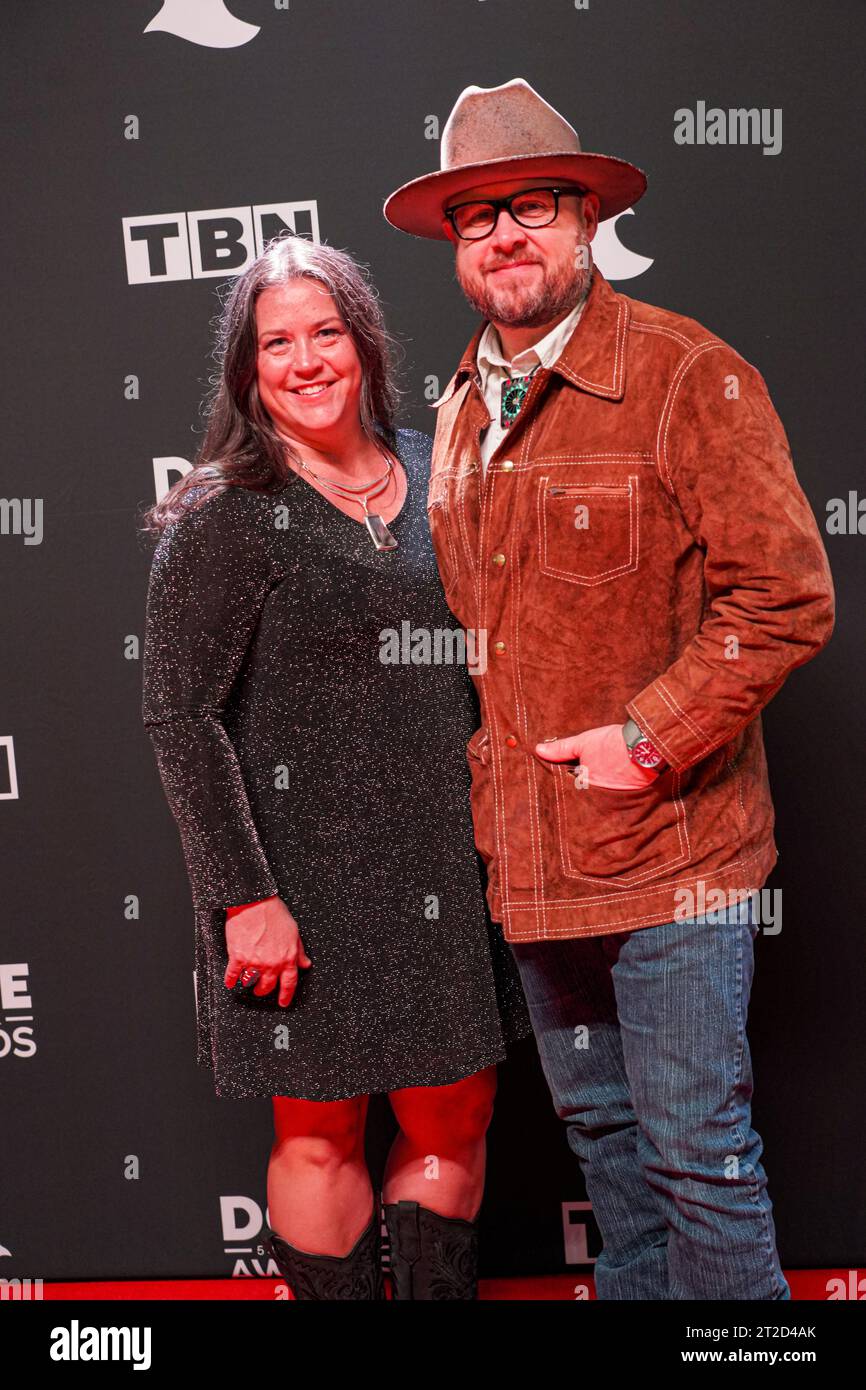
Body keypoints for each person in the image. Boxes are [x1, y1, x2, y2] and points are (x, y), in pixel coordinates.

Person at [383, 78, 835, 1300]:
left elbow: (785, 597)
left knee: (698, 1161)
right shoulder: (460, 409)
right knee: (612, 1160)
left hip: (672, 852)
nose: (504, 235)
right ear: (454, 247)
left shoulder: (689, 374)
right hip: (534, 870)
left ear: (584, 221)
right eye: (476, 217)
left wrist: (645, 739)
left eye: (532, 203)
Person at [138, 231, 532, 1301]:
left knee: (455, 1116)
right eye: (277, 343)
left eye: (325, 332)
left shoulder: (433, 464)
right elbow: (179, 717)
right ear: (247, 368)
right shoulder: (227, 513)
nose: (304, 359)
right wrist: (245, 897)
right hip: (295, 882)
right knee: (318, 1139)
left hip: (446, 868)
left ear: (361, 343)